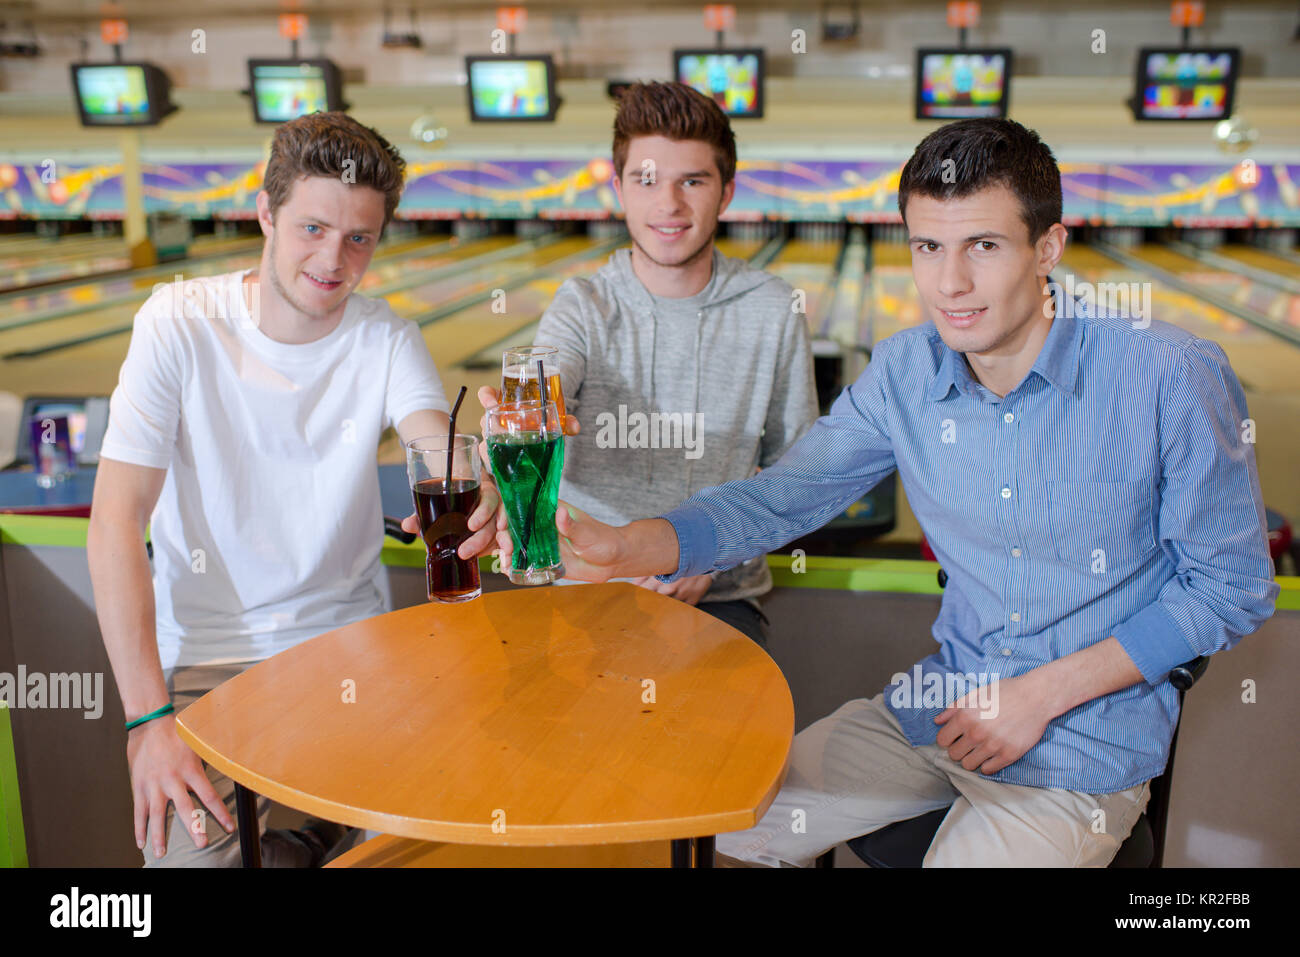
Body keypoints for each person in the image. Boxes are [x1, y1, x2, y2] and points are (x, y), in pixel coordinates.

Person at [527, 117, 1279, 866]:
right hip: (939, 713)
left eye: (982, 246)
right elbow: (781, 497)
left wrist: (1039, 695)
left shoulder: (1169, 377)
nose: (949, 283)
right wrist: (628, 545)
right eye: (928, 247)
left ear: (1047, 247)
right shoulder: (905, 374)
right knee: (726, 821)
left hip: (1079, 750)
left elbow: (1230, 587)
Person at [87, 112, 500, 867]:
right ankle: (305, 834)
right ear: (265, 213)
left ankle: (315, 833)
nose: (332, 258)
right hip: (206, 672)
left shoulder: (386, 338)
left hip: (358, 658)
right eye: (312, 227)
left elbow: (431, 435)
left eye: (358, 239)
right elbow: (114, 522)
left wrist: (473, 479)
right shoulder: (178, 323)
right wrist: (146, 720)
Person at [480, 81, 818, 646]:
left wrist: (705, 556)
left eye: (692, 181)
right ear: (618, 189)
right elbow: (545, 386)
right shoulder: (584, 304)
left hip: (719, 593)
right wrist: (523, 418)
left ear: (727, 192)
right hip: (583, 582)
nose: (669, 203)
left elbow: (801, 475)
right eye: (646, 180)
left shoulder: (773, 309)